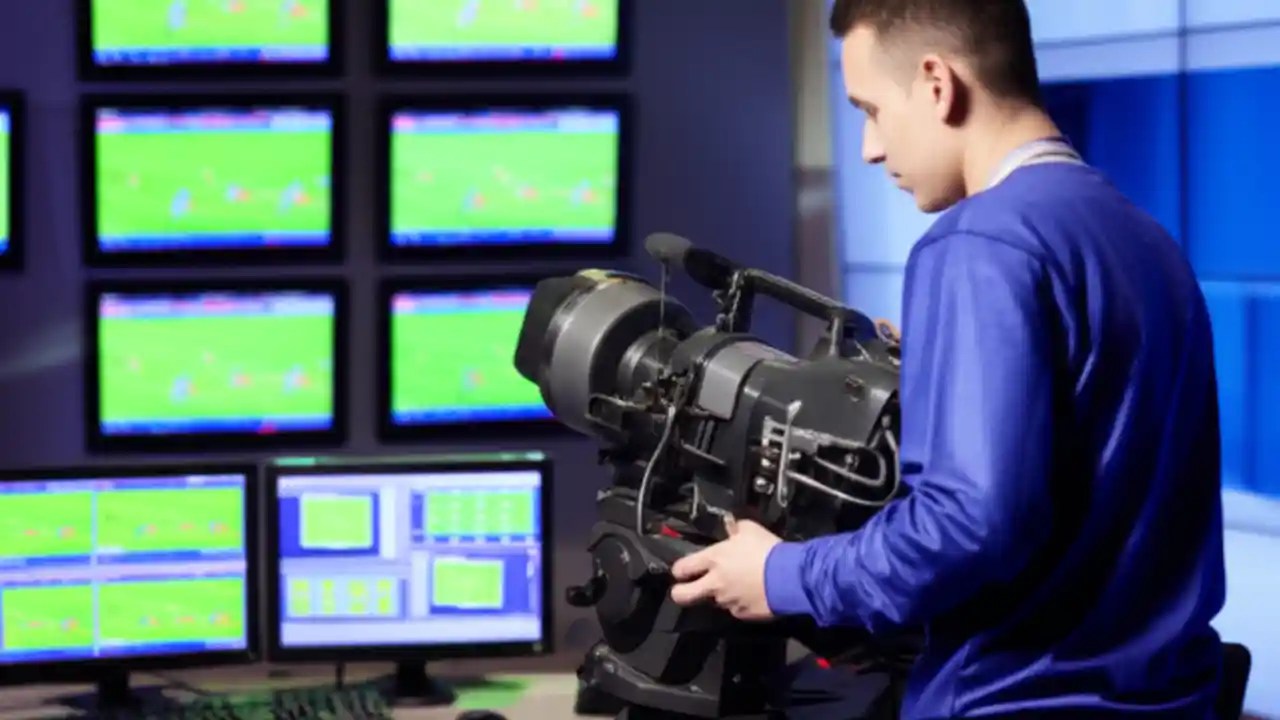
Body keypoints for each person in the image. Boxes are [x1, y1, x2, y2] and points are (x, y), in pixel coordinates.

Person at [668, 0, 1227, 717]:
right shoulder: (1147, 240)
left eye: (871, 110)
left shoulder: (979, 243)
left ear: (937, 83)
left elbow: (965, 527)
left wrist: (781, 575)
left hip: (1015, 702)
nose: (870, 148)